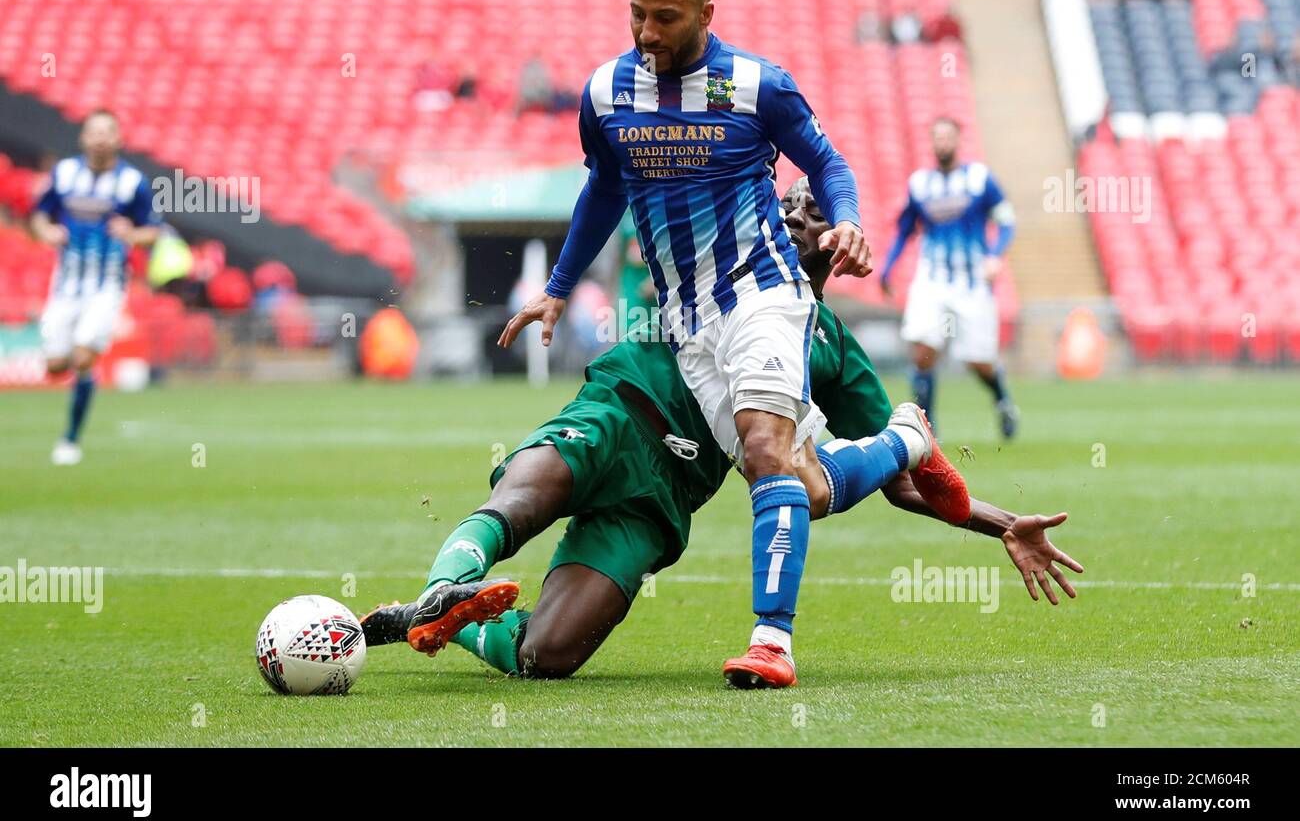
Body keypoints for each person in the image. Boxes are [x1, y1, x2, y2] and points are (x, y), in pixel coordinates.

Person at [361, 179, 1081, 686]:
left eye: (810, 207)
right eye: (784, 201)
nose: (793, 210)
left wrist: (1002, 524)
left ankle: (455, 622)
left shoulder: (830, 346)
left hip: (666, 495)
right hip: (620, 410)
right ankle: (444, 587)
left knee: (544, 657)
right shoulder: (714, 262)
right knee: (525, 497)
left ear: (838, 239)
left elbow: (898, 484)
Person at [497, 0, 872, 685]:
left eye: (664, 17)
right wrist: (561, 283)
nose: (646, 32)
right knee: (793, 473)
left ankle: (772, 642)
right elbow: (605, 188)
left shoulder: (759, 87)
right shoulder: (606, 92)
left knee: (766, 447)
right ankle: (901, 442)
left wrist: (849, 219)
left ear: (706, 13)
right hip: (687, 320)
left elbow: (827, 165)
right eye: (636, 13)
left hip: (764, 290)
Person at [28, 109, 161, 465]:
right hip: (66, 285)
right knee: (57, 365)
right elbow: (39, 215)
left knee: (84, 356)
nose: (101, 138)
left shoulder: (132, 182)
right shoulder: (65, 174)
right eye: (94, 131)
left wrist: (131, 234)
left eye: (108, 132)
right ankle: (83, 376)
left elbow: (153, 232)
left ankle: (70, 439)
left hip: (107, 287)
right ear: (83, 138)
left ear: (118, 139)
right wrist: (47, 231)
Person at [878, 117, 1018, 441]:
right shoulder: (919, 185)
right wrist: (887, 269)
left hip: (972, 282)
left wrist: (995, 255)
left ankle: (1002, 398)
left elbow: (1007, 222)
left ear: (958, 141)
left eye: (947, 137)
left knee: (977, 360)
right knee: (923, 349)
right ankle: (929, 430)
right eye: (936, 138)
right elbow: (904, 231)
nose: (942, 143)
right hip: (932, 278)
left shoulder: (980, 179)